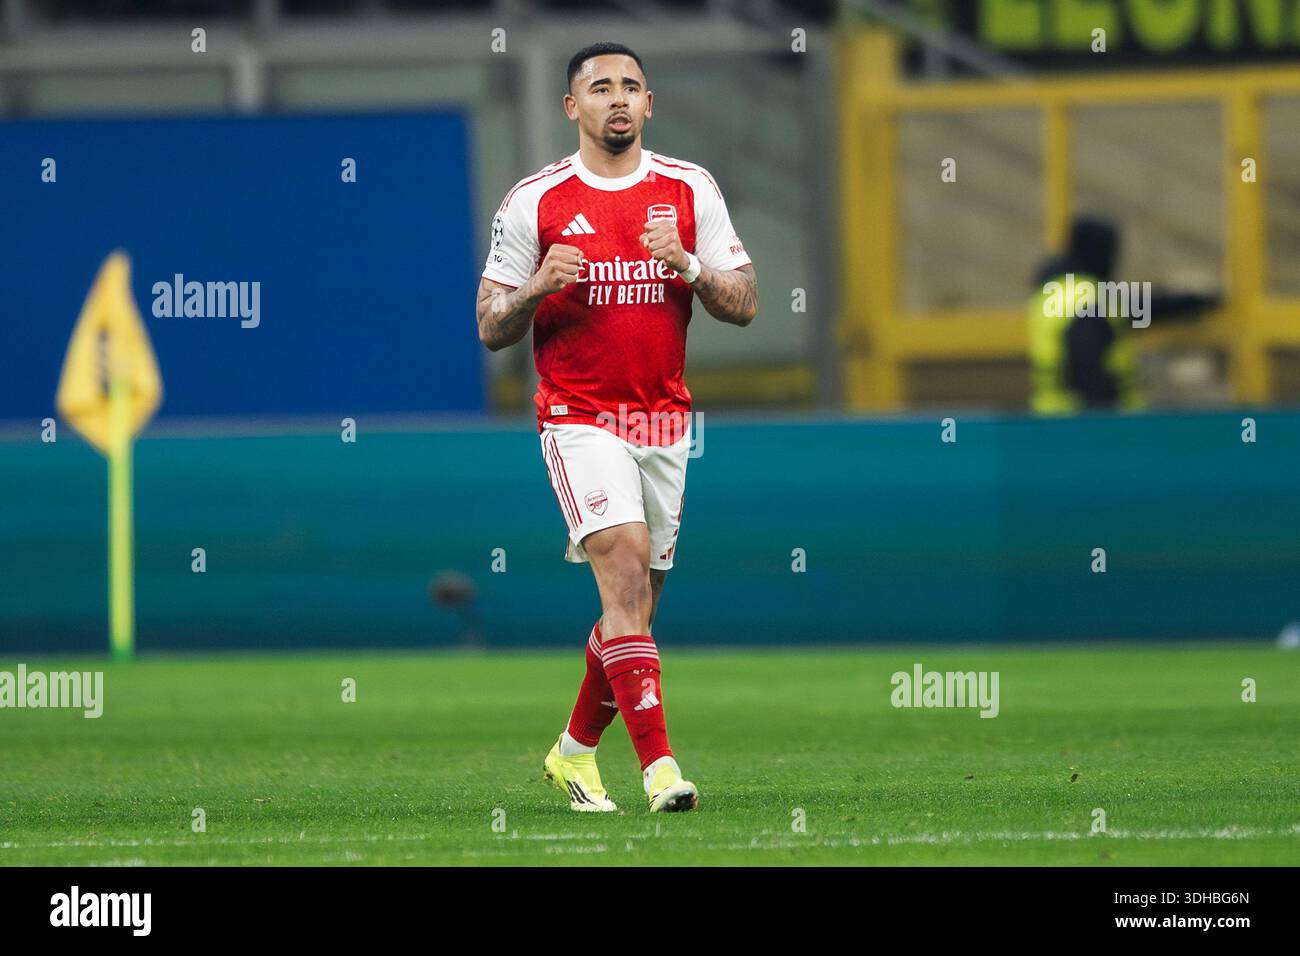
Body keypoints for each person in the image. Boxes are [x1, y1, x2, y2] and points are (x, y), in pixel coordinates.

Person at [474, 41, 758, 812]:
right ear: (574, 108)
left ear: (650, 103)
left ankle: (573, 753)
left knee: (632, 608)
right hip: (578, 415)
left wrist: (690, 267)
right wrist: (537, 286)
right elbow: (490, 325)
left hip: (663, 418)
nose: (619, 99)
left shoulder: (688, 189)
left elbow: (746, 300)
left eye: (632, 86)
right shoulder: (535, 201)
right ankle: (662, 769)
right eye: (601, 88)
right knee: (625, 571)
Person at [1028, 215, 1215, 414]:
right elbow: (1088, 366)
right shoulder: (1088, 299)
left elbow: (1142, 307)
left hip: (1054, 418)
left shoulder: (1059, 291)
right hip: (1091, 427)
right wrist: (1108, 424)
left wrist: (1195, 302)